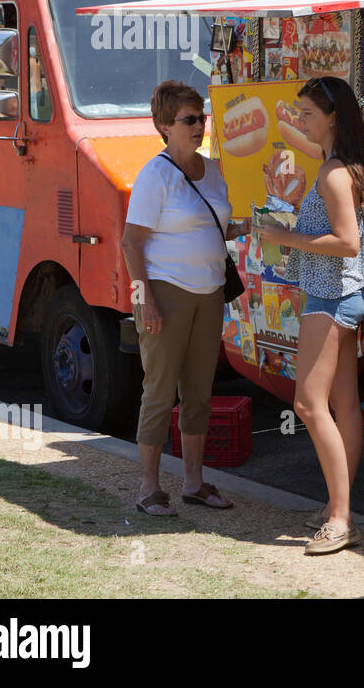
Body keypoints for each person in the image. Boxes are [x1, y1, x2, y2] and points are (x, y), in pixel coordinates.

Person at [255, 76, 364, 555]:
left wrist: (280, 236)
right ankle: (337, 507)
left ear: (332, 116)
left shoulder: (332, 172)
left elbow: (347, 242)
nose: (298, 119)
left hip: (330, 297)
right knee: (344, 403)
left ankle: (341, 519)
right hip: (345, 295)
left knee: (308, 404)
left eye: (306, 112)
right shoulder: (342, 165)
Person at [121, 80, 249, 516]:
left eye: (202, 118)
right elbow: (130, 243)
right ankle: (149, 489)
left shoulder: (212, 170)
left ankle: (193, 483)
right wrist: (144, 300)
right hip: (166, 292)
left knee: (199, 392)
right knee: (158, 392)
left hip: (209, 292)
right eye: (188, 119)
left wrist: (248, 227)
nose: (198, 126)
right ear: (164, 126)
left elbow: (213, 225)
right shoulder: (154, 175)